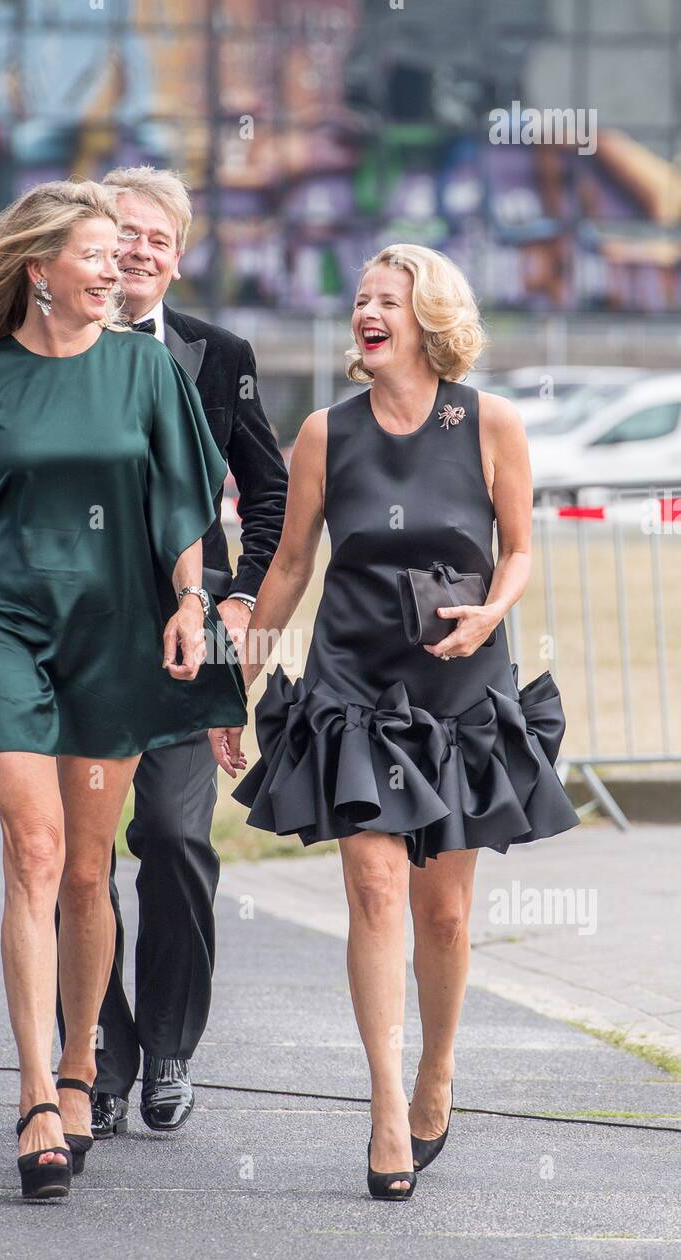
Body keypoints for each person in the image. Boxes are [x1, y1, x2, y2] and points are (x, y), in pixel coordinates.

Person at [0, 167, 289, 1138]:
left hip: (153, 633)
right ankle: (68, 1082)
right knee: (44, 853)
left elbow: (248, 496)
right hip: (15, 625)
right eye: (110, 237)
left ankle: (155, 1052)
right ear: (48, 262)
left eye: (149, 239)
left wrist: (225, 600)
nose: (129, 254)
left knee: (154, 841)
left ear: (175, 252)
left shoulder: (202, 358)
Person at [211, 243, 580, 1201]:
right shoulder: (324, 433)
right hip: (352, 687)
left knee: (445, 912)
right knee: (374, 888)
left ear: (430, 319)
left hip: (461, 688)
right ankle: (382, 1108)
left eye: (389, 301)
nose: (367, 313)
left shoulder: (489, 422)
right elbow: (288, 567)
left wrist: (494, 613)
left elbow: (522, 550)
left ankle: (436, 1075)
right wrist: (235, 685)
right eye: (361, 301)